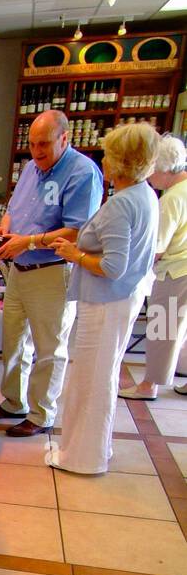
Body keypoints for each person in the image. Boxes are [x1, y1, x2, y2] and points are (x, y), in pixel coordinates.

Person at [0, 110, 104, 437]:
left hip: (53, 271)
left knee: (50, 348)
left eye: (44, 144)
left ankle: (41, 414)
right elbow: (13, 210)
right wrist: (4, 229)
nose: (37, 151)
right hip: (20, 270)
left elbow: (79, 230)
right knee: (15, 339)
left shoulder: (83, 173)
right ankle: (13, 402)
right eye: (33, 144)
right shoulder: (31, 169)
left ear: (65, 138)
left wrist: (29, 241)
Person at [49, 123, 160, 475]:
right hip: (123, 298)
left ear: (120, 161)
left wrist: (73, 253)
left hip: (106, 300)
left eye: (108, 155)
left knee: (90, 381)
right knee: (102, 377)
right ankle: (96, 449)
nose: (104, 162)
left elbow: (112, 265)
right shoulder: (145, 194)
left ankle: (82, 458)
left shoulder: (121, 204)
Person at [118, 134, 187, 400]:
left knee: (163, 330)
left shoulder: (171, 199)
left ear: (164, 168)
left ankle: (149, 385)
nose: (149, 178)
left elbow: (156, 247)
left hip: (175, 271)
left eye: (152, 170)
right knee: (180, 330)